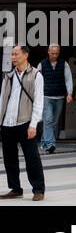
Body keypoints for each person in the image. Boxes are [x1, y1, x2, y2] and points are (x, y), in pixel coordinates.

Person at [1, 45, 45, 201]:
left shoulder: (36, 75)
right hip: (7, 122)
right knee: (9, 158)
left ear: (25, 55)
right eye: (12, 54)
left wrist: (34, 124)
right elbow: (2, 99)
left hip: (26, 122)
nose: (13, 57)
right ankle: (15, 188)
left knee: (32, 158)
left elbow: (39, 102)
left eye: (16, 54)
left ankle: (38, 189)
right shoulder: (8, 75)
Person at [37, 44, 73, 154]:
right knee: (48, 119)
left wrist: (69, 93)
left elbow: (68, 79)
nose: (54, 55)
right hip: (46, 96)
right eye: (52, 53)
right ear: (48, 52)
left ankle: (44, 142)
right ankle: (50, 144)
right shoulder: (41, 65)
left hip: (59, 96)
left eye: (56, 53)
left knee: (54, 122)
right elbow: (37, 81)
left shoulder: (64, 64)